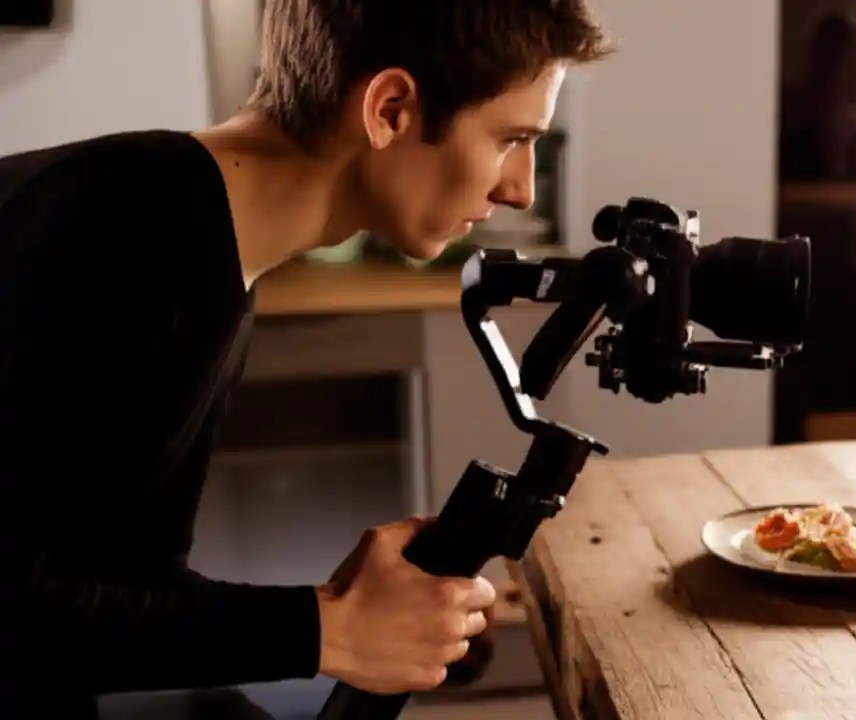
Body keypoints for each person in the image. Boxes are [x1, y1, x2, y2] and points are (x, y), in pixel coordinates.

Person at [0, 0, 612, 717]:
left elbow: (115, 587)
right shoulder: (138, 236)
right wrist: (325, 630)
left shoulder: (195, 229)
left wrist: (352, 615)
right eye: (511, 138)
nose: (520, 187)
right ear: (389, 109)